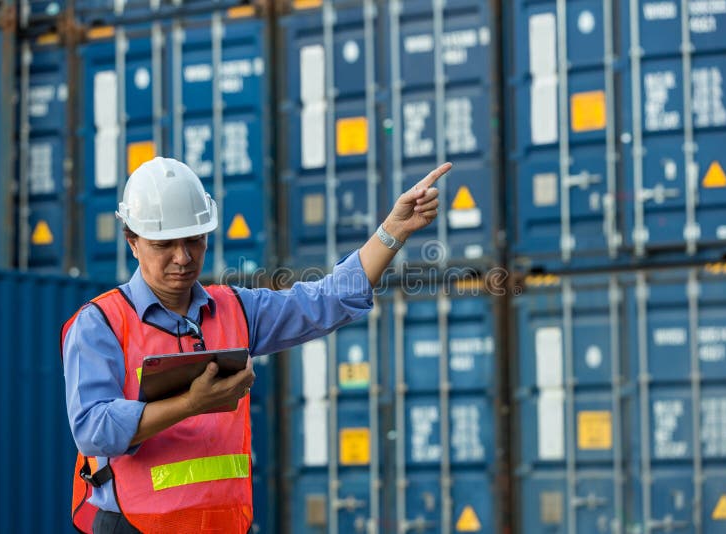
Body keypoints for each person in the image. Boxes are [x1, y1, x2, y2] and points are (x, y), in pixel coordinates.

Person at [62, 157, 452, 534]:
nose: (182, 258)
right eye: (164, 244)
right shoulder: (100, 324)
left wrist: (392, 232)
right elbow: (93, 430)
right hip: (136, 526)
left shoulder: (234, 309)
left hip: (224, 525)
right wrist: (192, 404)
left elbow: (325, 301)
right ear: (132, 241)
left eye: (195, 241)